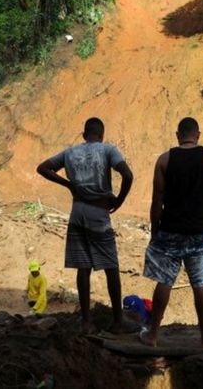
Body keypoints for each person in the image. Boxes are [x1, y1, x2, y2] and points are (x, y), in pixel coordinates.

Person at [36, 117, 136, 334]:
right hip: (99, 213)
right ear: (101, 135)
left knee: (84, 267)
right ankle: (118, 321)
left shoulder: (70, 153)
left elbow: (43, 168)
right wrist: (119, 200)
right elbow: (127, 175)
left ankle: (86, 322)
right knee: (111, 267)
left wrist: (69, 185)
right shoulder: (108, 150)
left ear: (84, 135)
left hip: (77, 212)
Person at [139, 117, 203, 349]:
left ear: (178, 135)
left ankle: (153, 335)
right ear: (197, 135)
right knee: (200, 284)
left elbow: (157, 199)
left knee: (165, 281)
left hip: (170, 230)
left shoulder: (165, 160)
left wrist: (155, 229)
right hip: (201, 232)